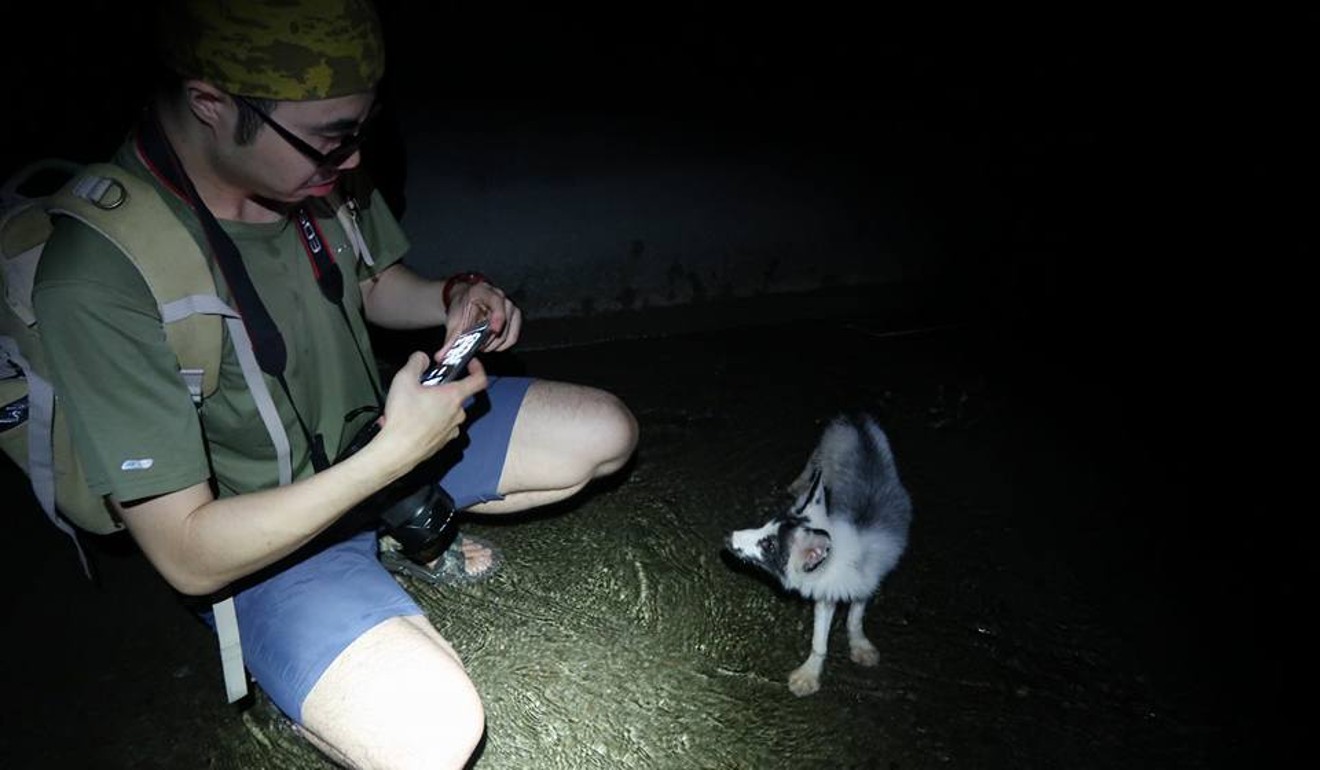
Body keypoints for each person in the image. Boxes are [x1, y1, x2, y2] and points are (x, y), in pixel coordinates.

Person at [31, 0, 638, 767]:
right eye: (330, 136)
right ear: (212, 104)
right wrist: (389, 462)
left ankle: (389, 536)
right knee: (433, 739)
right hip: (260, 537)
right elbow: (186, 553)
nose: (351, 160)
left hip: (375, 440)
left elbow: (377, 282)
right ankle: (305, 647)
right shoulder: (97, 276)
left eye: (360, 130)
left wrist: (453, 296)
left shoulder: (310, 167)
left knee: (607, 433)